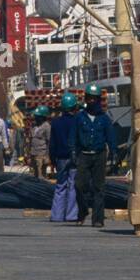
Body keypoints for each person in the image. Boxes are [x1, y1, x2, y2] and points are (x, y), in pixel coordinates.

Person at [71, 84, 117, 228]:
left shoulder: (104, 119)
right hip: (83, 155)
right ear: (85, 99)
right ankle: (83, 211)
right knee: (79, 185)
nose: (91, 101)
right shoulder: (79, 117)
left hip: (99, 155)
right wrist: (73, 152)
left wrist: (114, 154)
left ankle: (98, 219)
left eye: (94, 98)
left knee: (99, 188)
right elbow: (73, 137)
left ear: (98, 100)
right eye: (89, 98)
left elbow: (111, 137)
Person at [49, 93, 80, 222]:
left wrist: (52, 159)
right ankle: (71, 215)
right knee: (73, 186)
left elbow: (52, 144)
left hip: (60, 158)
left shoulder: (55, 123)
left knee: (60, 186)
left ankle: (56, 215)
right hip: (74, 157)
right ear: (74, 107)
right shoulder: (78, 121)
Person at [28, 106, 52, 179]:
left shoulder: (47, 126)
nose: (35, 117)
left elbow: (49, 142)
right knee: (34, 176)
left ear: (42, 117)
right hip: (33, 153)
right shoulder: (34, 126)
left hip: (41, 155)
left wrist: (47, 156)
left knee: (41, 176)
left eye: (37, 116)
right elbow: (31, 140)